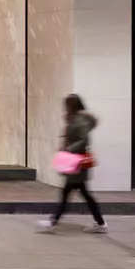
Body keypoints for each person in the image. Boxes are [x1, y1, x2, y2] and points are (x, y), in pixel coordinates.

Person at [37, 95, 106, 234]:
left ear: (72, 105)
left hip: (77, 163)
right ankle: (100, 222)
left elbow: (84, 139)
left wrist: (69, 149)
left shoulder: (80, 120)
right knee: (82, 194)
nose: (65, 107)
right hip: (76, 164)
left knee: (69, 194)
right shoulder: (75, 118)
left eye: (67, 104)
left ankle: (53, 221)